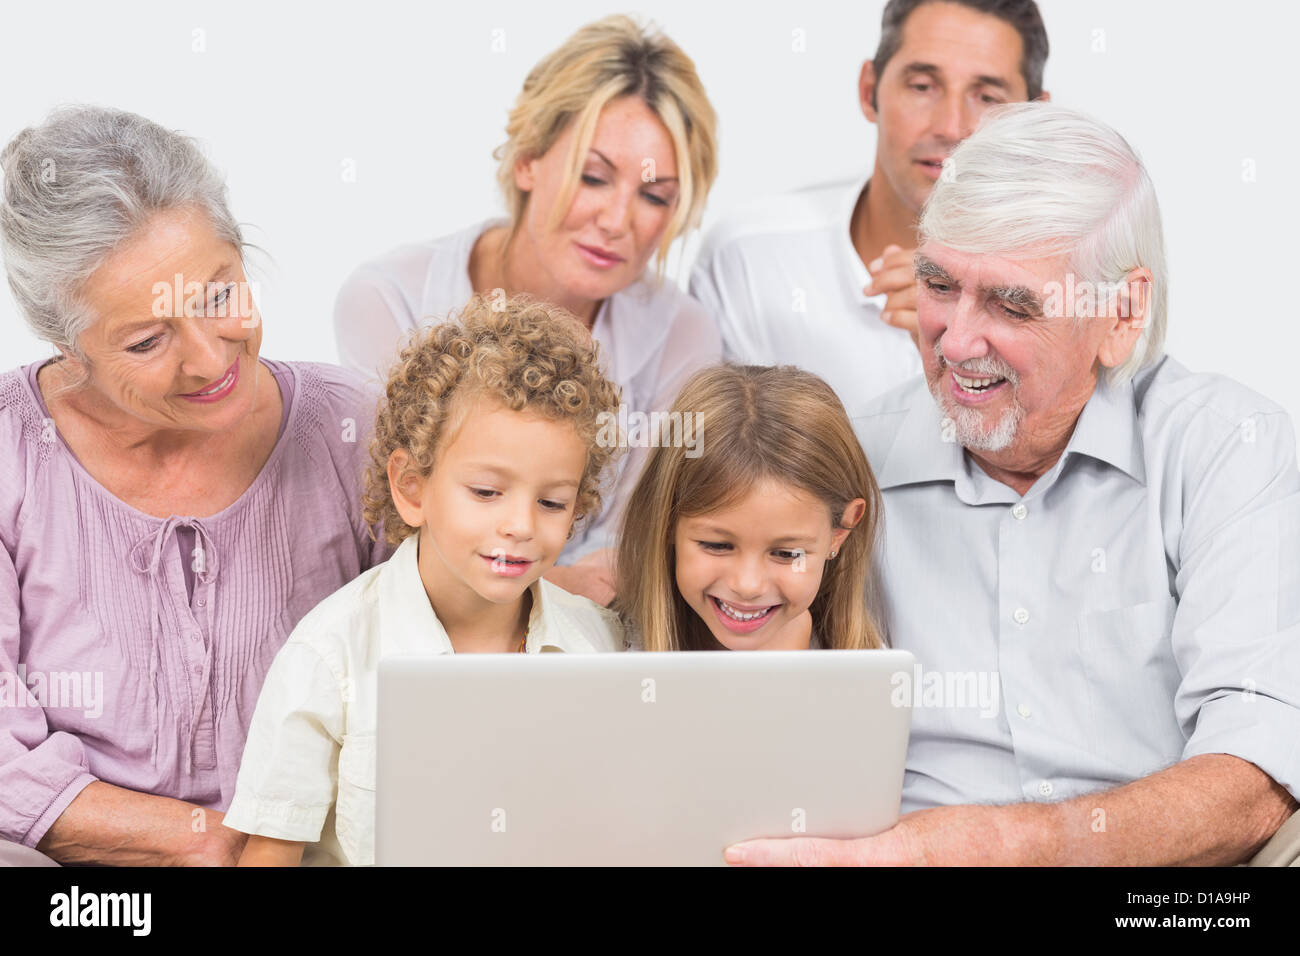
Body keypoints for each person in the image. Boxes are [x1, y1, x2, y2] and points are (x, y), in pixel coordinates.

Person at [725, 103, 1300, 867]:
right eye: (938, 284)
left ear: (1121, 314)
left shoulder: (1227, 449)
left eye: (1011, 303)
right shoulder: (852, 462)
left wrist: (987, 846)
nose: (956, 342)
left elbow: (1258, 778)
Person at [0, 106, 389, 867]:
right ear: (64, 345)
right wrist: (198, 840)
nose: (212, 361)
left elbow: (438, 662)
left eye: (220, 295)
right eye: (148, 340)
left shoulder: (358, 430)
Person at [225, 294, 626, 866]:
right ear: (412, 488)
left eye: (552, 501)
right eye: (486, 492)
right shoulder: (331, 655)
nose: (520, 525)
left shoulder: (598, 645)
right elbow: (271, 854)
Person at [334, 14, 721, 606]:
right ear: (527, 160)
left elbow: (634, 552)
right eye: (594, 177)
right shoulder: (388, 299)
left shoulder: (682, 333)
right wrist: (556, 585)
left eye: (653, 195)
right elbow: (395, 533)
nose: (617, 221)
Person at [689, 0, 1049, 418]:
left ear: (1033, 121)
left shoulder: (1079, 289)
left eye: (987, 96)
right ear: (868, 90)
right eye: (922, 86)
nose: (951, 126)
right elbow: (715, 470)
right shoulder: (749, 260)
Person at [616, 364, 884, 652]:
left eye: (786, 554)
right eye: (717, 546)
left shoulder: (872, 678)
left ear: (839, 533)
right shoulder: (604, 654)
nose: (748, 585)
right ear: (666, 521)